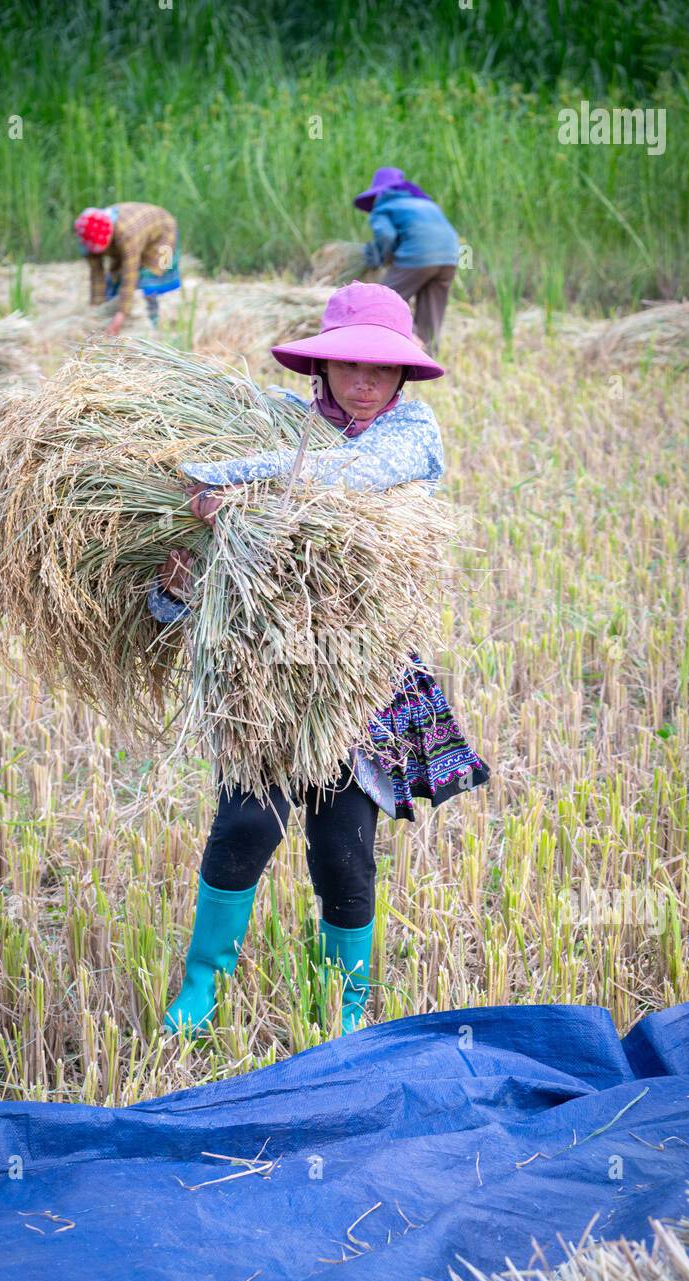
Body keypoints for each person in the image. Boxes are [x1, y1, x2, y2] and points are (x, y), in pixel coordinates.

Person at [149, 282, 490, 1037]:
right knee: (244, 828)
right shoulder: (283, 427)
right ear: (321, 368)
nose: (364, 384)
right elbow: (167, 608)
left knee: (343, 852)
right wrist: (174, 578)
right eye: (347, 366)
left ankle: (345, 1004)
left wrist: (230, 478)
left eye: (380, 369)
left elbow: (346, 477)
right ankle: (200, 989)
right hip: (268, 681)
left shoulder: (410, 436)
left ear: (404, 376)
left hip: (362, 684)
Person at [354, 166, 460, 353]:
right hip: (449, 258)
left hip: (417, 256)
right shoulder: (427, 204)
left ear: (378, 194)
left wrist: (381, 255)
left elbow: (386, 235)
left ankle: (395, 348)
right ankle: (428, 356)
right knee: (432, 313)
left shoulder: (383, 207)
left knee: (381, 302)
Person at [73, 202, 180, 334]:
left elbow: (130, 274)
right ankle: (117, 315)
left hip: (163, 232)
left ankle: (151, 325)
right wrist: (96, 311)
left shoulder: (127, 234)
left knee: (149, 279)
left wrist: (121, 315)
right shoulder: (87, 235)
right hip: (137, 233)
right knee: (115, 279)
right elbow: (97, 275)